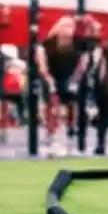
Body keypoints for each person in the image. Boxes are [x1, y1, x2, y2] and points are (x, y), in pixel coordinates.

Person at [35, 16, 90, 157]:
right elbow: (42, 67)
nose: (67, 34)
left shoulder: (78, 45)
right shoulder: (46, 45)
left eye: (70, 31)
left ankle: (71, 132)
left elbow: (83, 63)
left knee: (72, 100)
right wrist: (49, 81)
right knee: (52, 105)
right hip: (52, 75)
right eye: (64, 31)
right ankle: (51, 136)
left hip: (70, 76)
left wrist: (75, 80)